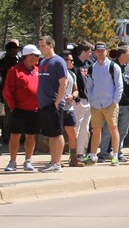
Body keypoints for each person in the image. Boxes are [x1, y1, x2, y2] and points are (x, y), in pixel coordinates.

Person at [2, 44, 40, 172]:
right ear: (28, 56)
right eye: (36, 56)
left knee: (31, 136)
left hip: (34, 109)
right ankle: (12, 161)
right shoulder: (14, 70)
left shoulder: (37, 70)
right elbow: (8, 91)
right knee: (15, 135)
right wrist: (13, 107)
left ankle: (28, 160)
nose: (38, 58)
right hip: (19, 109)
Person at [84, 41, 121, 165]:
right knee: (96, 130)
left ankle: (115, 155)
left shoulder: (113, 67)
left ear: (106, 52)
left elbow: (119, 85)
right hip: (96, 104)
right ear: (94, 53)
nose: (100, 53)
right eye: (97, 51)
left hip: (110, 103)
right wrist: (92, 99)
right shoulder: (91, 68)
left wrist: (115, 100)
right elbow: (89, 86)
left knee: (113, 128)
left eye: (102, 51)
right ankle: (93, 155)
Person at [36, 35, 69, 172]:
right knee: (50, 134)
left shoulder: (58, 61)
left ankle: (58, 163)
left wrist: (57, 102)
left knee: (57, 133)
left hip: (54, 103)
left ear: (51, 45)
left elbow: (63, 84)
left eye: (43, 45)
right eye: (40, 45)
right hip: (44, 104)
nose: (41, 48)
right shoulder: (43, 62)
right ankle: (52, 161)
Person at [71, 42, 94, 163]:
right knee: (76, 128)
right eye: (89, 51)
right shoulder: (74, 65)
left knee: (85, 129)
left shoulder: (90, 64)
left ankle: (80, 153)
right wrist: (76, 98)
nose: (91, 54)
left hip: (89, 100)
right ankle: (73, 154)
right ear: (84, 52)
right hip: (78, 101)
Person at [61, 51, 80, 166]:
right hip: (59, 108)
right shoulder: (56, 74)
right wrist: (63, 97)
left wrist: (73, 96)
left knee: (72, 132)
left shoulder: (72, 74)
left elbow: (76, 90)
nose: (72, 62)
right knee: (57, 134)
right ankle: (56, 159)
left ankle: (73, 159)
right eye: (70, 60)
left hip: (69, 108)